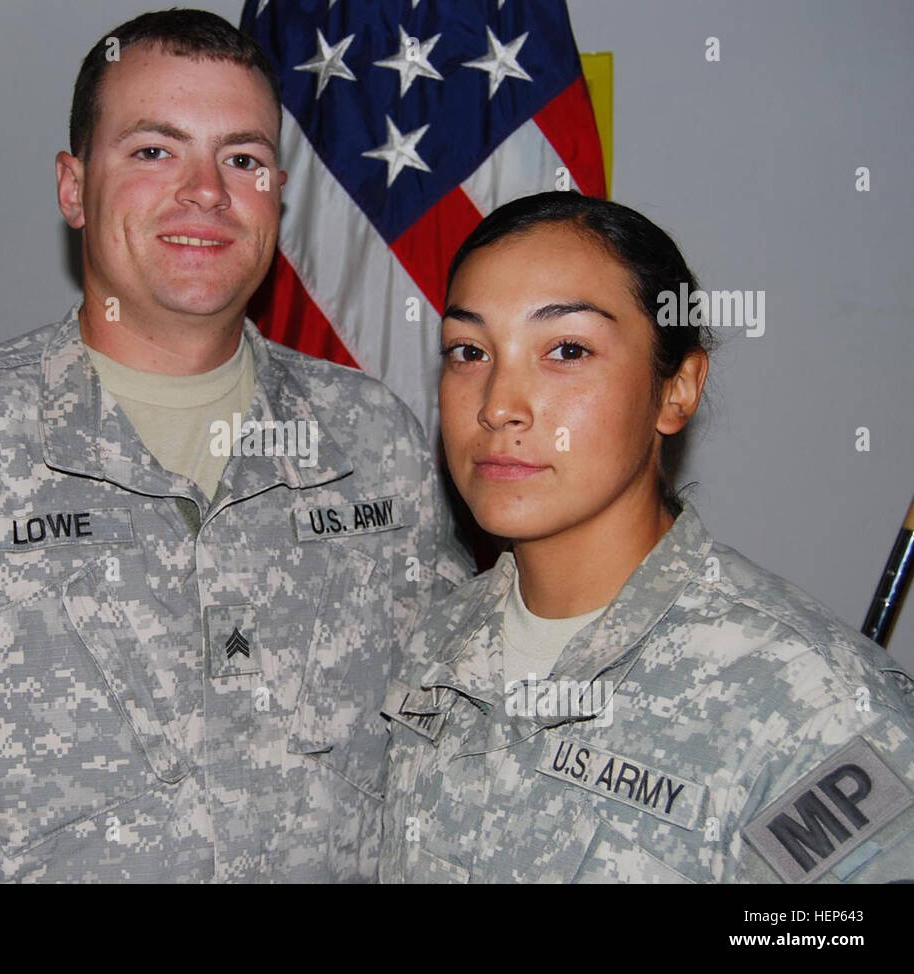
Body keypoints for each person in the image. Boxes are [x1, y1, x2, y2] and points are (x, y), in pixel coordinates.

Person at [0, 9, 472, 883]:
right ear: (73, 188)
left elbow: (445, 752)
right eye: (154, 150)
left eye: (243, 159)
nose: (206, 192)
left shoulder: (378, 445)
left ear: (276, 197)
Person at [379, 192, 914, 883]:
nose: (498, 405)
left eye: (566, 349)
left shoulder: (814, 701)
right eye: (470, 351)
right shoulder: (439, 643)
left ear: (677, 390)